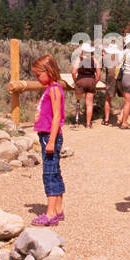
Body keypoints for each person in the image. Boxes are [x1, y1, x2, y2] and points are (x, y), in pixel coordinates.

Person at [31, 54, 66, 225]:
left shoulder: (53, 89)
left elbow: (57, 116)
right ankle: (58, 209)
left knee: (49, 173)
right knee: (55, 171)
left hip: (49, 136)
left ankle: (51, 213)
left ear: (49, 71)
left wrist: (51, 140)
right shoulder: (51, 88)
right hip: (46, 136)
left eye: (39, 75)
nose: (37, 79)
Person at [70, 37, 100, 128]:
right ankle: (88, 124)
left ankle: (77, 121)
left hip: (81, 81)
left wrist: (76, 81)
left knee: (78, 101)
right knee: (89, 104)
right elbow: (98, 74)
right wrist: (95, 82)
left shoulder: (79, 59)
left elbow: (73, 72)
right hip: (91, 81)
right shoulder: (94, 60)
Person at [116, 32, 130, 128]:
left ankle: (123, 118)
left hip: (123, 77)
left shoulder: (122, 52)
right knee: (129, 101)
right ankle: (124, 122)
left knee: (127, 100)